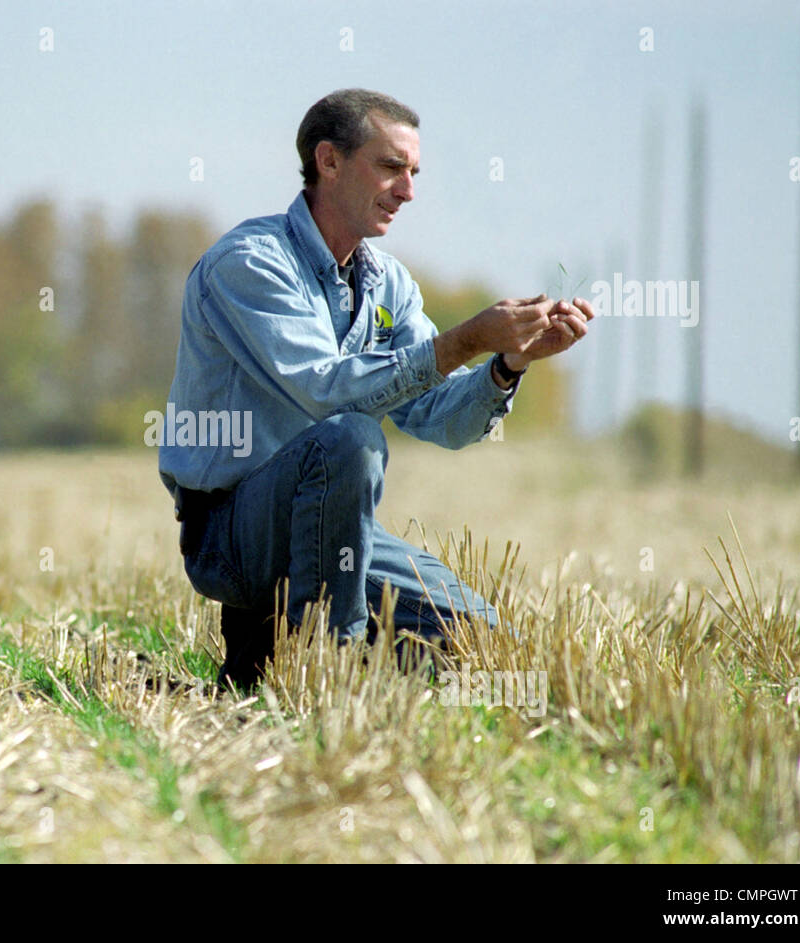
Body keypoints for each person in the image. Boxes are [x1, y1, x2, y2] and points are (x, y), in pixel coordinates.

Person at [158, 89, 594, 691]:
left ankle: (267, 662)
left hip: (331, 533)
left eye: (414, 173)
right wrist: (462, 340)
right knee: (351, 440)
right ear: (329, 160)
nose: (408, 191)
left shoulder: (389, 284)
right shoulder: (250, 263)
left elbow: (441, 418)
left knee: (486, 647)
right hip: (232, 535)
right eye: (391, 167)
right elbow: (326, 394)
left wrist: (506, 365)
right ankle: (322, 668)